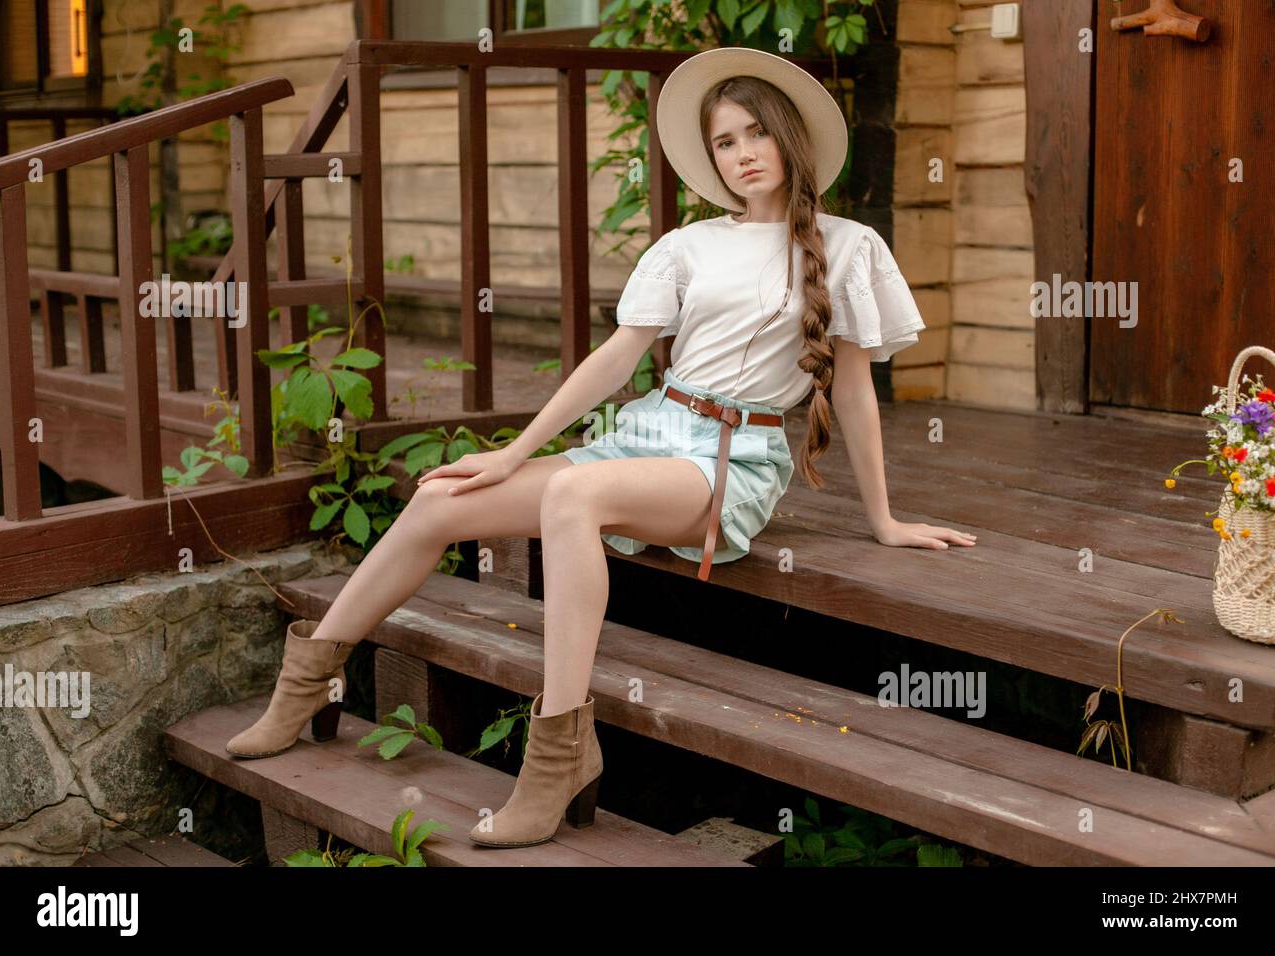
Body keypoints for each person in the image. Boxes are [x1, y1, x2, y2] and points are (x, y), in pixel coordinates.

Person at [224, 46, 977, 850]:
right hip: (653, 433)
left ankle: (557, 756)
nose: (744, 153)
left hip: (731, 462)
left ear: (791, 137)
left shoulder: (850, 244)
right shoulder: (689, 245)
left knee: (571, 496)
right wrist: (512, 454)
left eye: (758, 133)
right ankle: (303, 689)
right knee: (441, 498)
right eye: (725, 142)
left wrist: (886, 520)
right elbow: (616, 359)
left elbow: (856, 392)